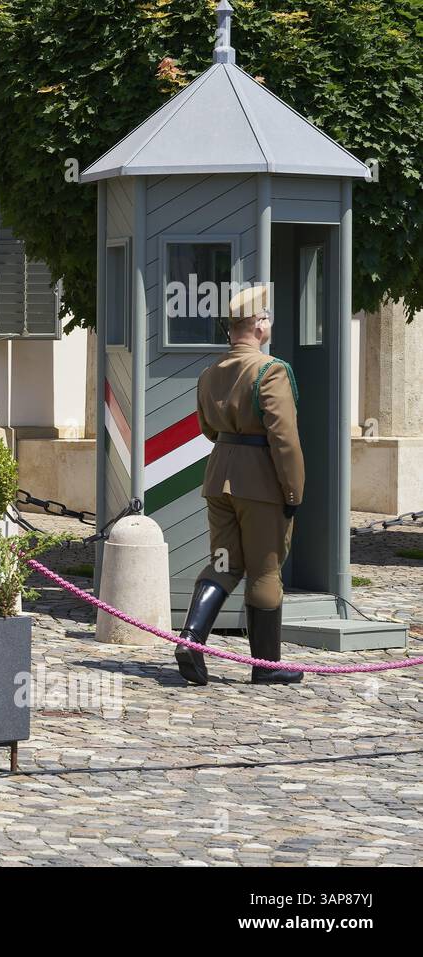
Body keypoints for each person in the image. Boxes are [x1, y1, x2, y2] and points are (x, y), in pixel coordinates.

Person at [176, 284, 305, 686]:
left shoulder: (209, 372)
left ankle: (191, 639)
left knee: (223, 562)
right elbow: (283, 439)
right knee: (266, 571)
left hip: (218, 480)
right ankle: (266, 666)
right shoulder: (271, 370)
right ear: (260, 325)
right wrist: (293, 492)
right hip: (260, 484)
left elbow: (208, 431)